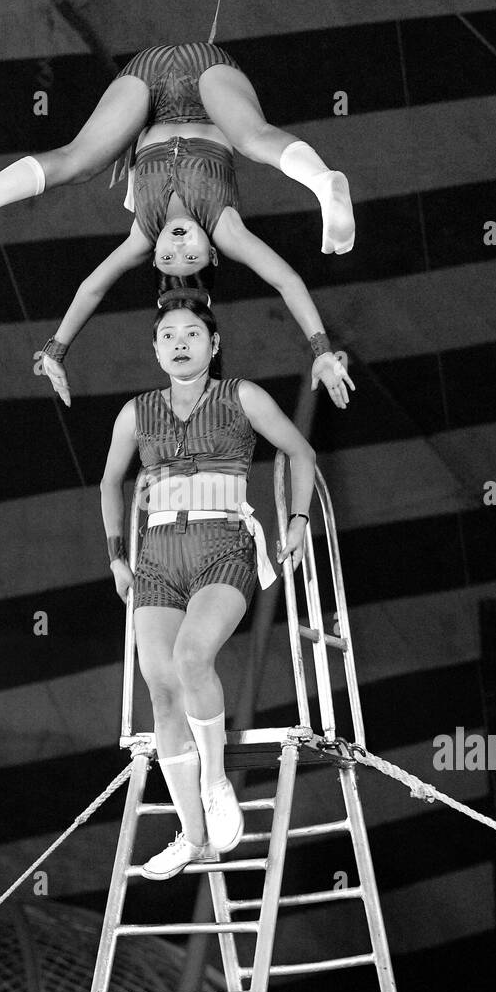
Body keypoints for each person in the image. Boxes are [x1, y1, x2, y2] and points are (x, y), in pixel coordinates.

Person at [0, 41, 356, 409]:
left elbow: (92, 287)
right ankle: (322, 181)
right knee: (253, 137)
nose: (177, 245)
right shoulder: (224, 227)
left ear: (154, 257)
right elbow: (286, 281)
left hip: (147, 76)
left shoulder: (143, 231)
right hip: (209, 75)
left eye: (168, 258)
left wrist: (56, 349)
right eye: (190, 256)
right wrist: (319, 348)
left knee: (78, 160)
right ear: (211, 252)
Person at [99, 289, 315, 879]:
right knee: (161, 689)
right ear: (155, 348)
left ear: (213, 344)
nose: (179, 344)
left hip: (222, 546)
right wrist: (119, 557)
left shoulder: (240, 395)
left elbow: (300, 453)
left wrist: (296, 521)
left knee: (193, 656)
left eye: (192, 334)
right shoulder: (135, 412)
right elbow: (110, 481)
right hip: (158, 557)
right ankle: (193, 837)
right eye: (168, 336)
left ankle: (217, 782)